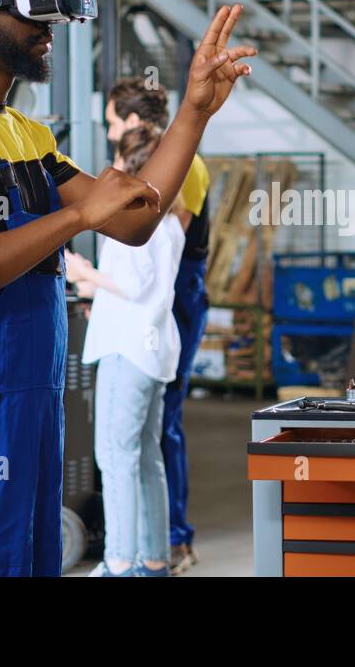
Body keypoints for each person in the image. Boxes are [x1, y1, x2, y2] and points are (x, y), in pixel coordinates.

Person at [0, 0, 253, 576]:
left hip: (31, 414)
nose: (47, 21)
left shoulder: (26, 133)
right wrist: (76, 216)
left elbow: (135, 221)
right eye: (28, 1)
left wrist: (193, 112)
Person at [103, 78, 210, 574]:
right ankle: (156, 550)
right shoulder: (169, 160)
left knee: (155, 429)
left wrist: (100, 279)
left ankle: (160, 544)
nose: (109, 135)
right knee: (150, 437)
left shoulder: (178, 166)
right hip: (164, 300)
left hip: (174, 296)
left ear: (135, 125)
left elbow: (153, 246)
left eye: (113, 124)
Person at [73, 125, 184, 576]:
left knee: (115, 458)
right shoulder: (171, 219)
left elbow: (134, 284)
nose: (112, 167)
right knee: (146, 457)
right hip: (153, 349)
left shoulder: (138, 219)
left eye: (118, 157)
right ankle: (155, 560)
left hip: (128, 349)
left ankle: (119, 562)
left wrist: (85, 274)